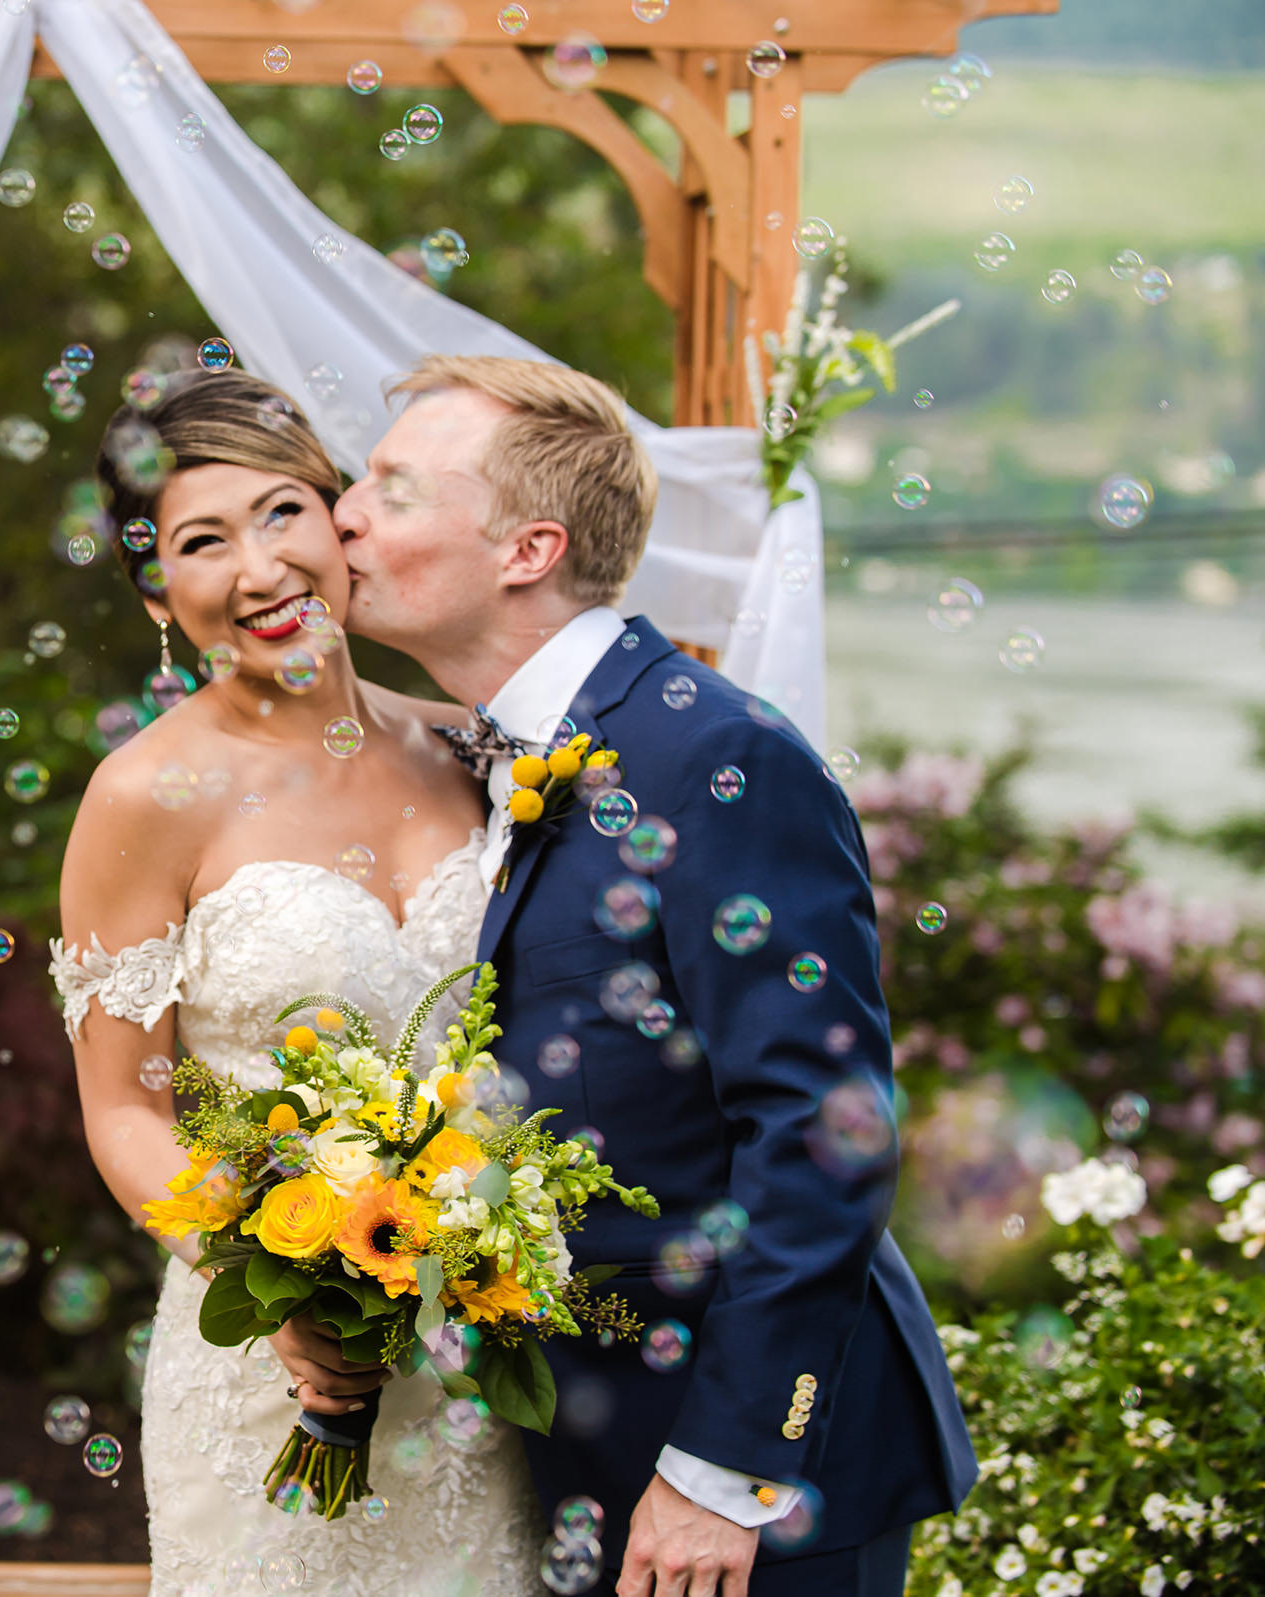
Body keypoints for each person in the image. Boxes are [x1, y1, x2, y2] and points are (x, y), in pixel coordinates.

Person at [282, 353, 976, 1597]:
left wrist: (722, 1469)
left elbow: (825, 1131)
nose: (343, 513)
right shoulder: (496, 760)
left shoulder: (718, 755)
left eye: (391, 487)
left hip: (758, 1484)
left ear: (527, 549)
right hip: (589, 1436)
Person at [50, 369, 543, 1596]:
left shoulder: (475, 749)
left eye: (282, 513)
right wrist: (266, 1270)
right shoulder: (144, 796)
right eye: (202, 542)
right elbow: (124, 1108)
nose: (260, 569)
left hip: (491, 1342)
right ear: (156, 588)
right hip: (273, 1358)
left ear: (343, 521)